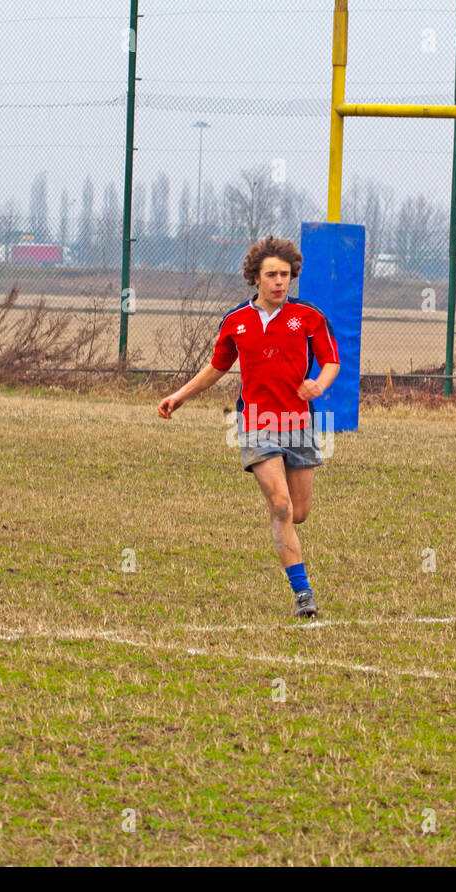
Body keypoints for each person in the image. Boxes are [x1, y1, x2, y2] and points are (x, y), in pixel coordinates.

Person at [157, 236, 340, 619]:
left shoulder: (308, 317)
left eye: (285, 275)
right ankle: (302, 592)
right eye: (271, 274)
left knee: (299, 512)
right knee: (280, 505)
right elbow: (216, 368)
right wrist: (180, 396)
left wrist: (318, 387)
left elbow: (330, 362)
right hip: (256, 422)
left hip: (298, 422)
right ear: (255, 277)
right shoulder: (235, 322)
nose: (279, 282)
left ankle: (283, 530)